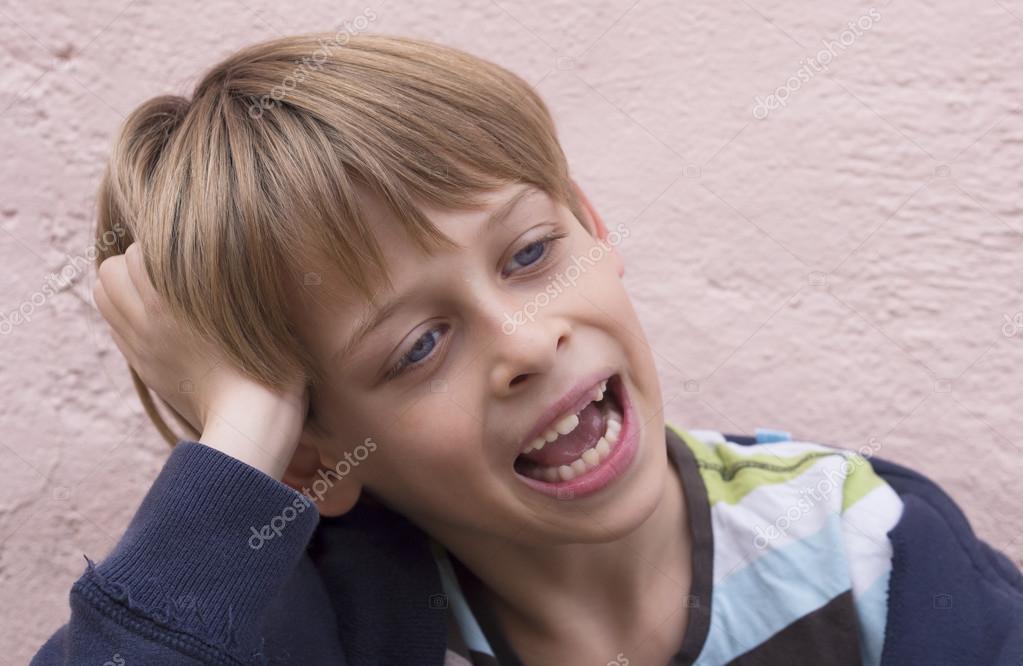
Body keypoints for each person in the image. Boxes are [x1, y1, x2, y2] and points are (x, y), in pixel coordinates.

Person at [32, 33, 1023, 665]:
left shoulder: (863, 545)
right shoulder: (314, 630)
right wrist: (239, 438)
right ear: (309, 453)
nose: (526, 341)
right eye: (419, 344)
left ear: (593, 224)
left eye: (532, 252)